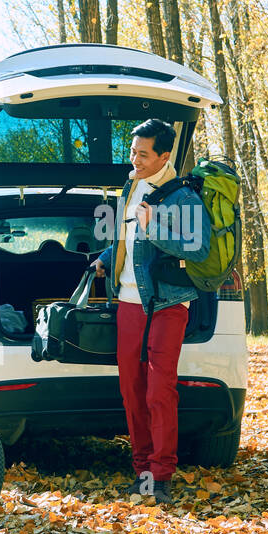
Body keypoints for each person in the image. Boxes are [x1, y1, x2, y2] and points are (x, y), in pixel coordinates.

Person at [93, 118, 211, 505]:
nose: (135, 159)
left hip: (168, 302)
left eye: (143, 154)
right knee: (131, 388)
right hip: (127, 300)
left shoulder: (182, 195)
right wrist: (109, 257)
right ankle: (141, 468)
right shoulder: (130, 186)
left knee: (160, 390)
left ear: (164, 156)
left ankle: (161, 474)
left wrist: (155, 225)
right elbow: (129, 237)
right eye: (133, 152)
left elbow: (197, 248)